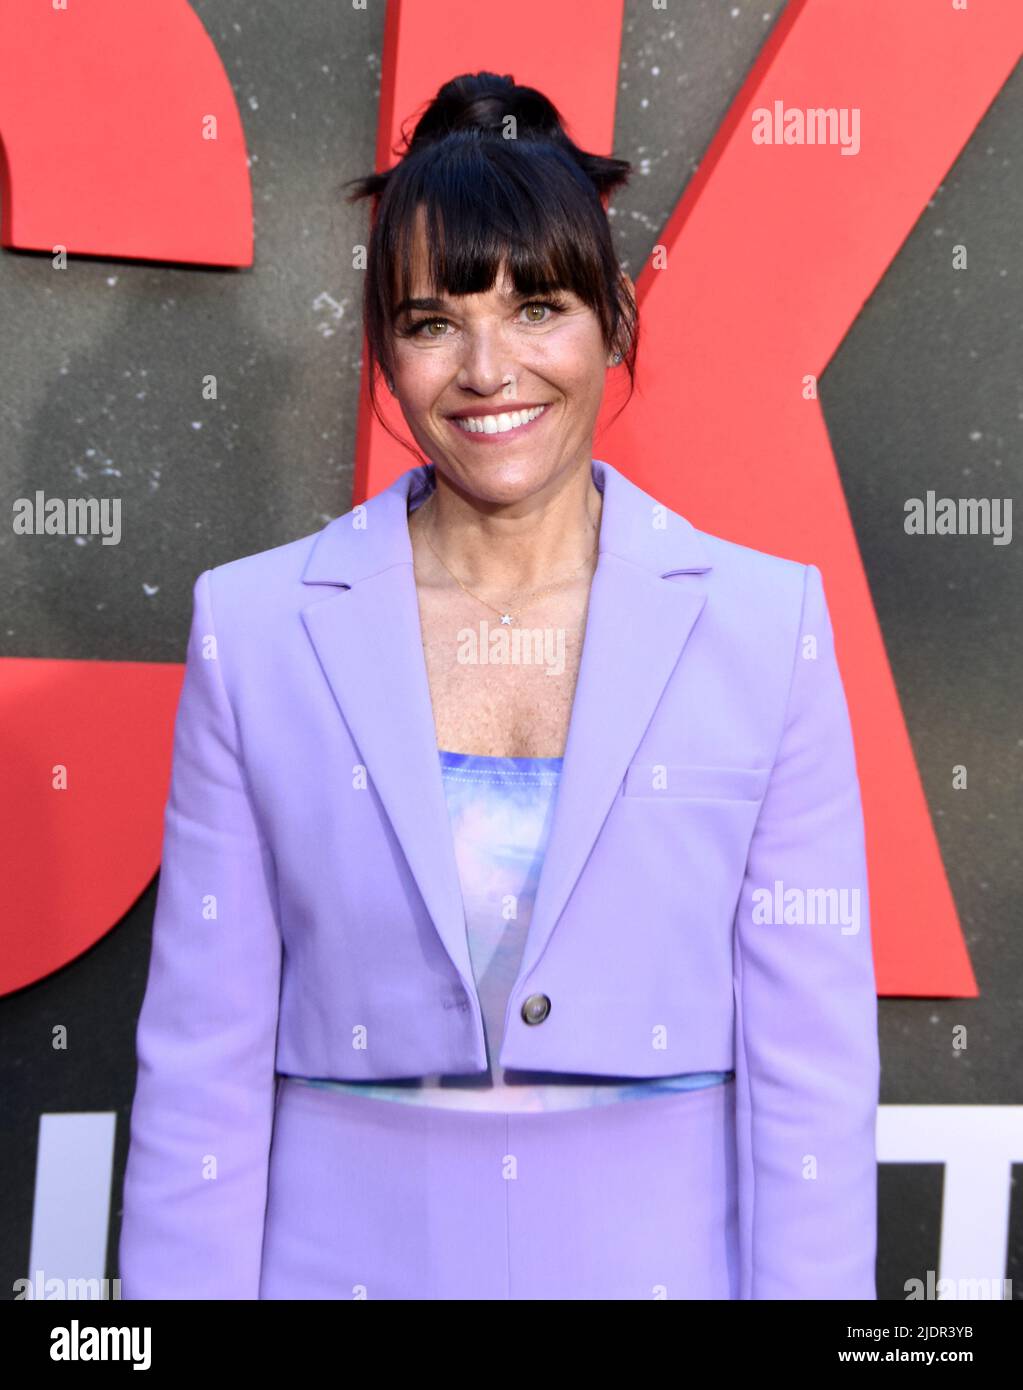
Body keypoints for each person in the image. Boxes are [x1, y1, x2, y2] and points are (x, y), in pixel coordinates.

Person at [119, 71, 880, 1300]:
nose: (488, 368)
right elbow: (201, 1069)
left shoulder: (761, 624)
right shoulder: (256, 631)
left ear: (613, 319)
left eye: (537, 306)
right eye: (433, 320)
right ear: (383, 345)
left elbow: (814, 1079)